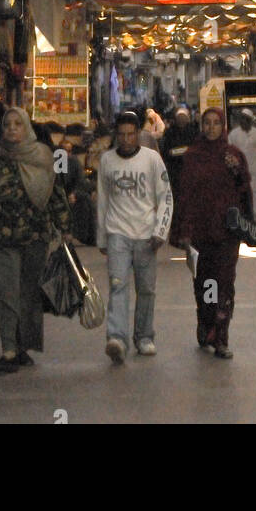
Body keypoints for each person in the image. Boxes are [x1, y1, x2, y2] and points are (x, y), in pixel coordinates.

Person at [0, 106, 72, 374]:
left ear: (27, 128)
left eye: (17, 124)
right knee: (5, 291)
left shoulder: (44, 157)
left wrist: (65, 226)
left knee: (28, 293)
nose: (11, 128)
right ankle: (8, 349)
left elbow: (56, 194)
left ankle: (22, 347)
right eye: (7, 124)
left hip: (35, 236)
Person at [173, 107, 253, 359]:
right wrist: (183, 230)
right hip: (200, 232)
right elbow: (184, 194)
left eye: (216, 123)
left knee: (224, 283)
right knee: (205, 283)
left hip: (227, 233)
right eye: (206, 123)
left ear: (223, 126)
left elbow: (245, 190)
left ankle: (221, 336)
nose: (210, 128)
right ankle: (206, 324)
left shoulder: (233, 156)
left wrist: (236, 171)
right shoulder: (193, 156)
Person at [97, 111, 173, 364]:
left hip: (146, 235)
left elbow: (166, 198)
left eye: (131, 134)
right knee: (118, 286)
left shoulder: (152, 160)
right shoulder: (107, 161)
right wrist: (102, 238)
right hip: (117, 233)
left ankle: (144, 337)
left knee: (146, 289)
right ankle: (117, 338)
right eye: (122, 135)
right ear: (116, 136)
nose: (127, 140)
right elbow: (103, 200)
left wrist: (160, 232)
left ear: (139, 134)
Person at [228, 110, 256, 217]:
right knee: (240, 194)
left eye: (247, 119)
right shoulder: (234, 134)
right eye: (242, 118)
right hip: (239, 171)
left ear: (251, 121)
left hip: (254, 171)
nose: (244, 121)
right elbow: (228, 151)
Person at [160, 107, 198, 203]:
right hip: (174, 172)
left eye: (183, 118)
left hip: (190, 171)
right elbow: (165, 152)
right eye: (179, 118)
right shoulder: (170, 133)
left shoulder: (193, 132)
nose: (181, 120)